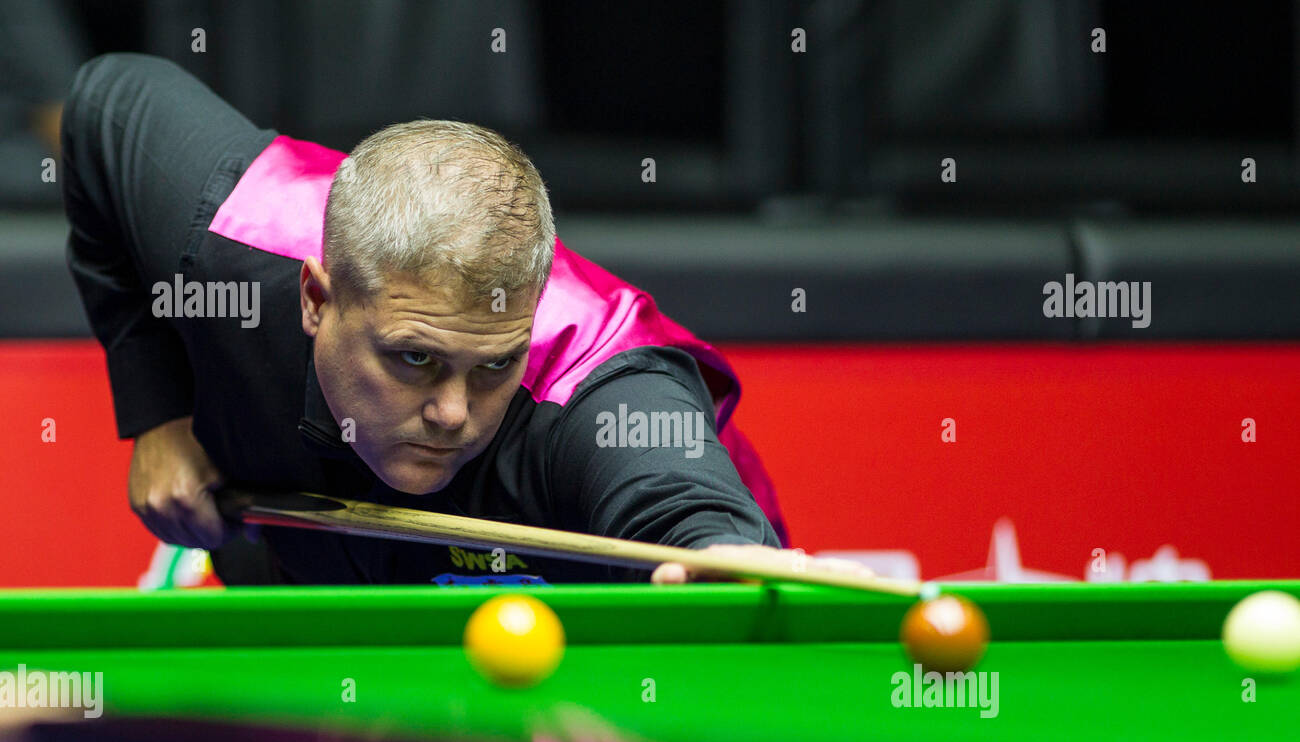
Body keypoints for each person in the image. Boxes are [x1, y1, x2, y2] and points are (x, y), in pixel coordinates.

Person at [63, 53, 860, 587]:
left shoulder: (599, 390)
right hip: (311, 562)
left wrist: (727, 559)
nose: (452, 412)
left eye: (491, 367)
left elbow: (692, 515)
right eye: (413, 359)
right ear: (316, 298)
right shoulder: (229, 239)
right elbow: (103, 103)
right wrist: (158, 412)